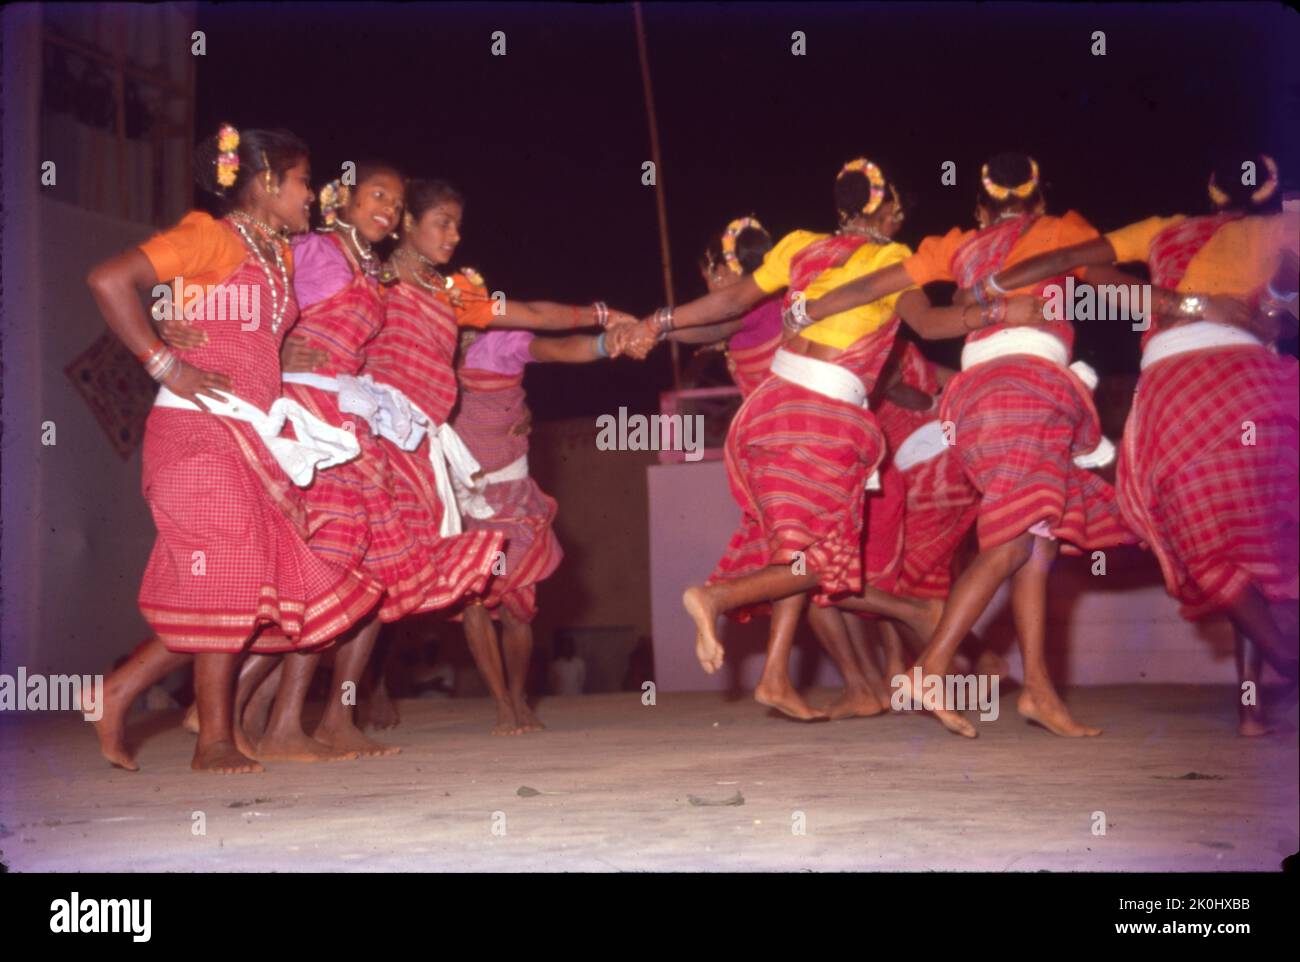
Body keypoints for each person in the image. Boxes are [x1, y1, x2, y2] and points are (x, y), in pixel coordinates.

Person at [85, 125, 381, 773]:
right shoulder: (211, 235)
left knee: (248, 584)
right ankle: (213, 739)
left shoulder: (280, 255)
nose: (311, 194)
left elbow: (231, 319)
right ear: (268, 181)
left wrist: (282, 350)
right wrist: (164, 361)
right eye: (303, 181)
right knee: (230, 577)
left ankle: (116, 694)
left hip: (249, 434)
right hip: (196, 432)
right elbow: (110, 279)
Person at [974, 152, 1300, 735]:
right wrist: (1270, 304)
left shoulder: (1162, 230)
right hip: (1249, 383)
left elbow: (1078, 266)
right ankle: (1265, 689)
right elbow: (1281, 309)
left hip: (1174, 389)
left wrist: (996, 284)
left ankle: (1265, 689)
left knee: (1205, 546)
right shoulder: (1283, 228)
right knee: (1256, 545)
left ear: (1210, 187)